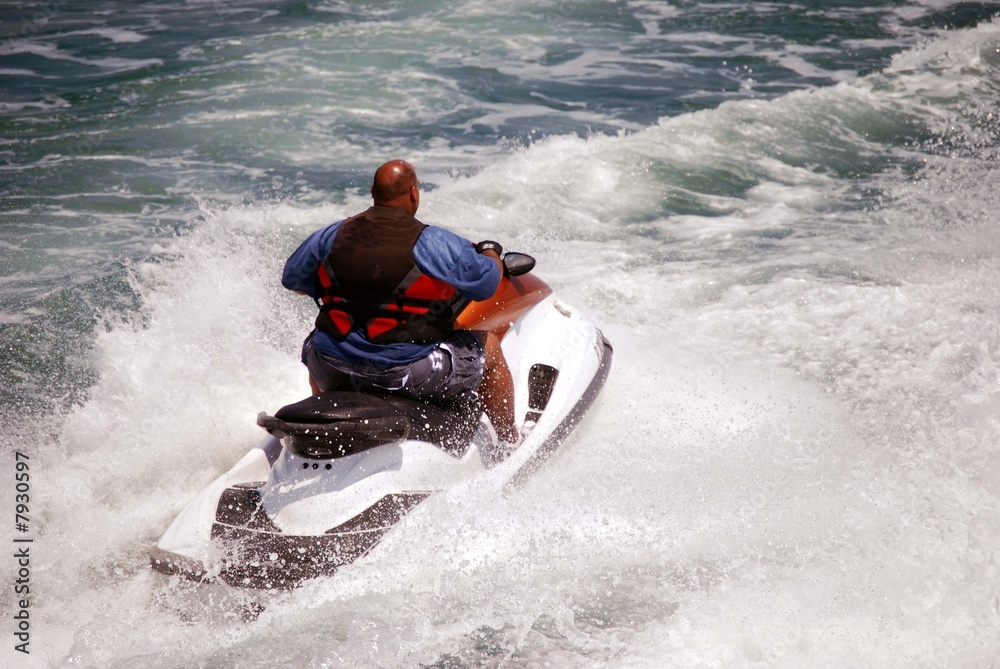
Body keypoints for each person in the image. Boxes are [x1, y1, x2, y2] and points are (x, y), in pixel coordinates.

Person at [282, 159, 519, 444]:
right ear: (414, 194)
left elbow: (293, 280)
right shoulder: (432, 241)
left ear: (373, 192)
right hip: (401, 373)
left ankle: (323, 425)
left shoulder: (332, 234)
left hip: (330, 366)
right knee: (490, 349)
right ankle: (510, 442)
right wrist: (491, 252)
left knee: (320, 338)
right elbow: (486, 284)